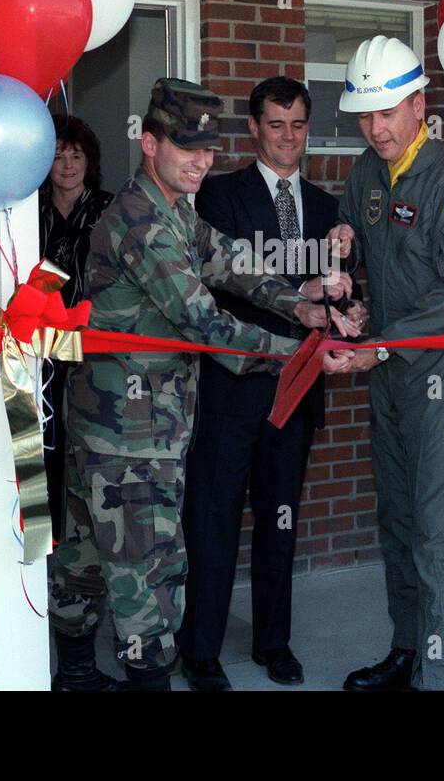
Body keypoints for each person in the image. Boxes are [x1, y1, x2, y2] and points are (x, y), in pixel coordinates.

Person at [48, 78, 357, 691]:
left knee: (84, 558)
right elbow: (206, 323)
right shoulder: (142, 221)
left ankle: (78, 675)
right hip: (133, 436)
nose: (201, 163)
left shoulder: (174, 210)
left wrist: (302, 305)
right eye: (187, 149)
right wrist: (300, 354)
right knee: (147, 572)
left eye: (209, 151)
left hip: (111, 424)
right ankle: (147, 680)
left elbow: (237, 264)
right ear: (150, 144)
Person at [325, 35, 444, 691]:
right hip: (391, 373)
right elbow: (363, 256)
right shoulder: (368, 173)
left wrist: (380, 343)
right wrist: (349, 282)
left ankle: (440, 678)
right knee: (398, 519)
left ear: (420, 105)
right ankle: (408, 653)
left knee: (442, 534)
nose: (375, 128)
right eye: (365, 115)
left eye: (387, 112)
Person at [178, 76, 362, 691]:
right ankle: (200, 649)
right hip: (231, 389)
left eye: (299, 124)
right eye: (276, 124)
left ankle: (272, 642)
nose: (289, 137)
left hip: (298, 389)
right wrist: (305, 285)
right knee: (215, 519)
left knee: (281, 519)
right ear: (254, 128)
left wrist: (350, 308)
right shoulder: (219, 195)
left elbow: (341, 294)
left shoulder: (329, 209)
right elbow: (228, 279)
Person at [38, 115, 112, 542]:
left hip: (92, 345)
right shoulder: (28, 209)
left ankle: (84, 545)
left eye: (76, 155)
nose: (67, 165)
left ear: (90, 161)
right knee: (46, 442)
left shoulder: (109, 210)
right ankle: (45, 543)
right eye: (57, 156)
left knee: (87, 444)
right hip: (42, 348)